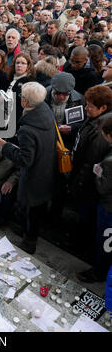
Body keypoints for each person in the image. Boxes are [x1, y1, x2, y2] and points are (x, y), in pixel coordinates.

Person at [0, 82, 57, 254]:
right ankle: (26, 230)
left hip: (34, 175)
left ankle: (29, 242)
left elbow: (25, 160)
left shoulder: (27, 130)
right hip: (46, 168)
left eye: (22, 96)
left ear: (26, 102)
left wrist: (5, 146)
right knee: (35, 209)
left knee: (31, 210)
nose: (20, 99)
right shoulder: (45, 110)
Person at [70, 85, 112, 259]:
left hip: (87, 186)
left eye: (90, 106)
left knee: (86, 218)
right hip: (83, 180)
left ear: (103, 108)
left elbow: (89, 164)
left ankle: (81, 247)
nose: (86, 108)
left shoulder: (101, 131)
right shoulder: (94, 121)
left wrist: (77, 184)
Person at [76, 112, 112, 283]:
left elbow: (103, 187)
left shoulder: (109, 161)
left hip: (108, 208)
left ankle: (98, 271)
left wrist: (98, 173)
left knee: (104, 242)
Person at [5, 53, 37, 126]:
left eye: (23, 63)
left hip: (18, 120)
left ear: (28, 66)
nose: (19, 65)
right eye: (17, 63)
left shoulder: (30, 82)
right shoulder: (9, 77)